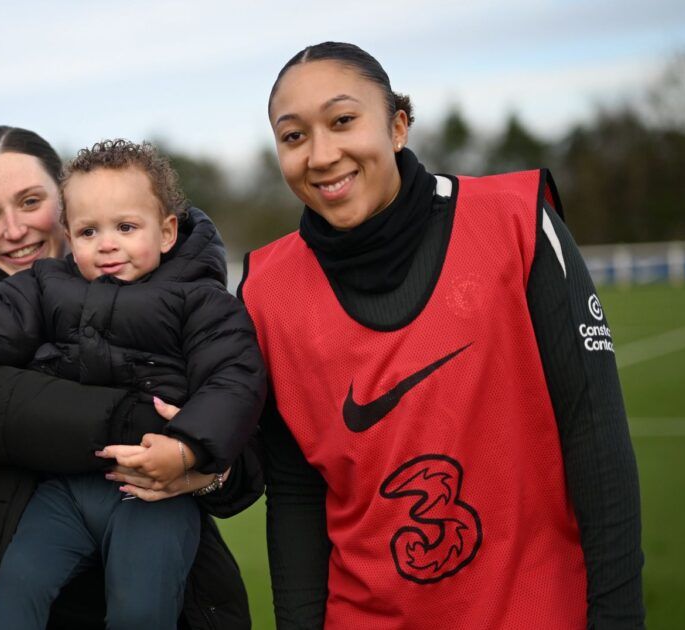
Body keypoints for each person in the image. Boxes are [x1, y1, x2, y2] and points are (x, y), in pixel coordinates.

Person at [239, 42, 645, 628]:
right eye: (294, 136)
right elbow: (297, 495)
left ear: (398, 125)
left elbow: (596, 436)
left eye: (343, 120)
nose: (321, 154)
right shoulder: (265, 292)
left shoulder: (515, 221)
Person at [0, 128, 263, 630]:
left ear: (166, 231)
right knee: (19, 589)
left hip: (147, 496)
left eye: (30, 201)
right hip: (26, 522)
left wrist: (193, 453)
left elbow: (234, 390)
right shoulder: (13, 290)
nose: (15, 229)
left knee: (141, 608)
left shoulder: (200, 300)